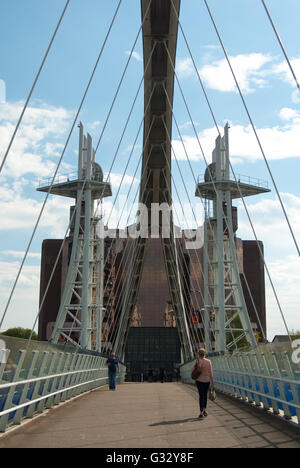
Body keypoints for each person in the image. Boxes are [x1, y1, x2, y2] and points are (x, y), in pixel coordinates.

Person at [191, 348, 215, 419]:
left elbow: (191, 369)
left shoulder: (197, 361)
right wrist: (212, 382)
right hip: (207, 381)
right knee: (205, 396)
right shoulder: (208, 362)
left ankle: (200, 412)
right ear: (205, 354)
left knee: (201, 396)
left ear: (198, 354)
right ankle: (205, 410)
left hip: (199, 380)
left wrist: (198, 368)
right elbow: (210, 373)